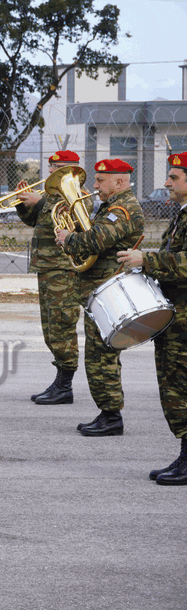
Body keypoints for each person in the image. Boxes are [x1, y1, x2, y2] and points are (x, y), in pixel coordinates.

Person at [55, 158, 144, 436]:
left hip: (109, 291)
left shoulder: (123, 209)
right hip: (99, 290)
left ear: (119, 182)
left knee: (101, 356)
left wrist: (67, 238)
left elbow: (95, 240)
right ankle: (107, 413)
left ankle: (111, 416)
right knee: (98, 355)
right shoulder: (111, 207)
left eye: (100, 180)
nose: (94, 185)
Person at [117, 152, 187, 484]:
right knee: (175, 387)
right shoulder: (182, 215)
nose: (166, 183)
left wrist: (147, 259)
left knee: (182, 388)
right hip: (177, 318)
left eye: (173, 177)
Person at [14, 151, 90, 405]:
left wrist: (41, 202)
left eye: (56, 167)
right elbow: (34, 221)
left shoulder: (79, 195)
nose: (50, 172)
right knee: (50, 327)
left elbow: (76, 224)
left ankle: (65, 384)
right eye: (51, 166)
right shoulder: (50, 196)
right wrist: (21, 203)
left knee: (62, 324)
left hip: (63, 269)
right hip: (46, 267)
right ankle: (60, 379)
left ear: (70, 169)